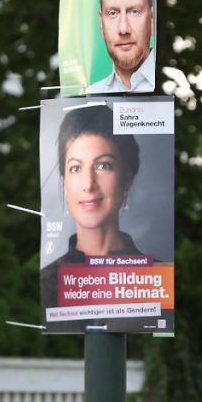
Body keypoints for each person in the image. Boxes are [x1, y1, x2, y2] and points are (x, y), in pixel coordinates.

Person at [40, 104, 146, 323]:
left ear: (127, 178)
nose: (88, 184)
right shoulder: (45, 283)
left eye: (103, 165)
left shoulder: (154, 279)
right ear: (64, 182)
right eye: (76, 168)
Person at [86, 0, 156, 94]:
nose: (123, 29)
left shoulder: (173, 86)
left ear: (152, 19)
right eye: (113, 13)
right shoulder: (91, 95)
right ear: (101, 23)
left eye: (134, 11)